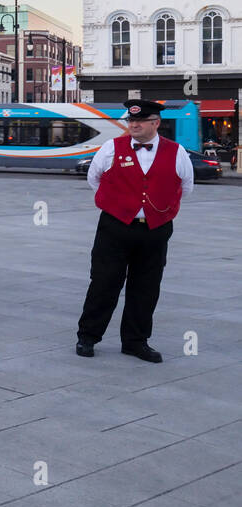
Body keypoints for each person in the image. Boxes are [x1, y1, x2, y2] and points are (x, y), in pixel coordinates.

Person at [76, 99, 194, 362]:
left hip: (155, 230)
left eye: (140, 121)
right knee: (104, 282)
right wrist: (119, 205)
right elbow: (94, 179)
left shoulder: (176, 152)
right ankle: (87, 336)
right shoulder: (111, 147)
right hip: (114, 227)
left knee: (146, 287)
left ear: (156, 123)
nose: (134, 125)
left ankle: (135, 341)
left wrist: (156, 210)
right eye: (131, 121)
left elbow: (185, 187)